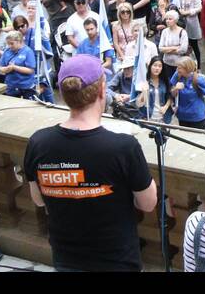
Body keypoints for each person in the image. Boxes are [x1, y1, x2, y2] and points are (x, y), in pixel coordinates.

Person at [23, 55, 158, 271]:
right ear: (102, 91)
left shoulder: (38, 143)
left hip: (66, 259)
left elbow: (38, 200)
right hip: (117, 262)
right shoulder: (123, 147)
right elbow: (148, 204)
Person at [171, 56, 205, 130]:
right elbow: (172, 93)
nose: (177, 69)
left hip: (196, 117)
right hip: (182, 116)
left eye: (180, 67)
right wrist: (176, 88)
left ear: (187, 68)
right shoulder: (177, 75)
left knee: (197, 138)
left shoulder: (198, 79)